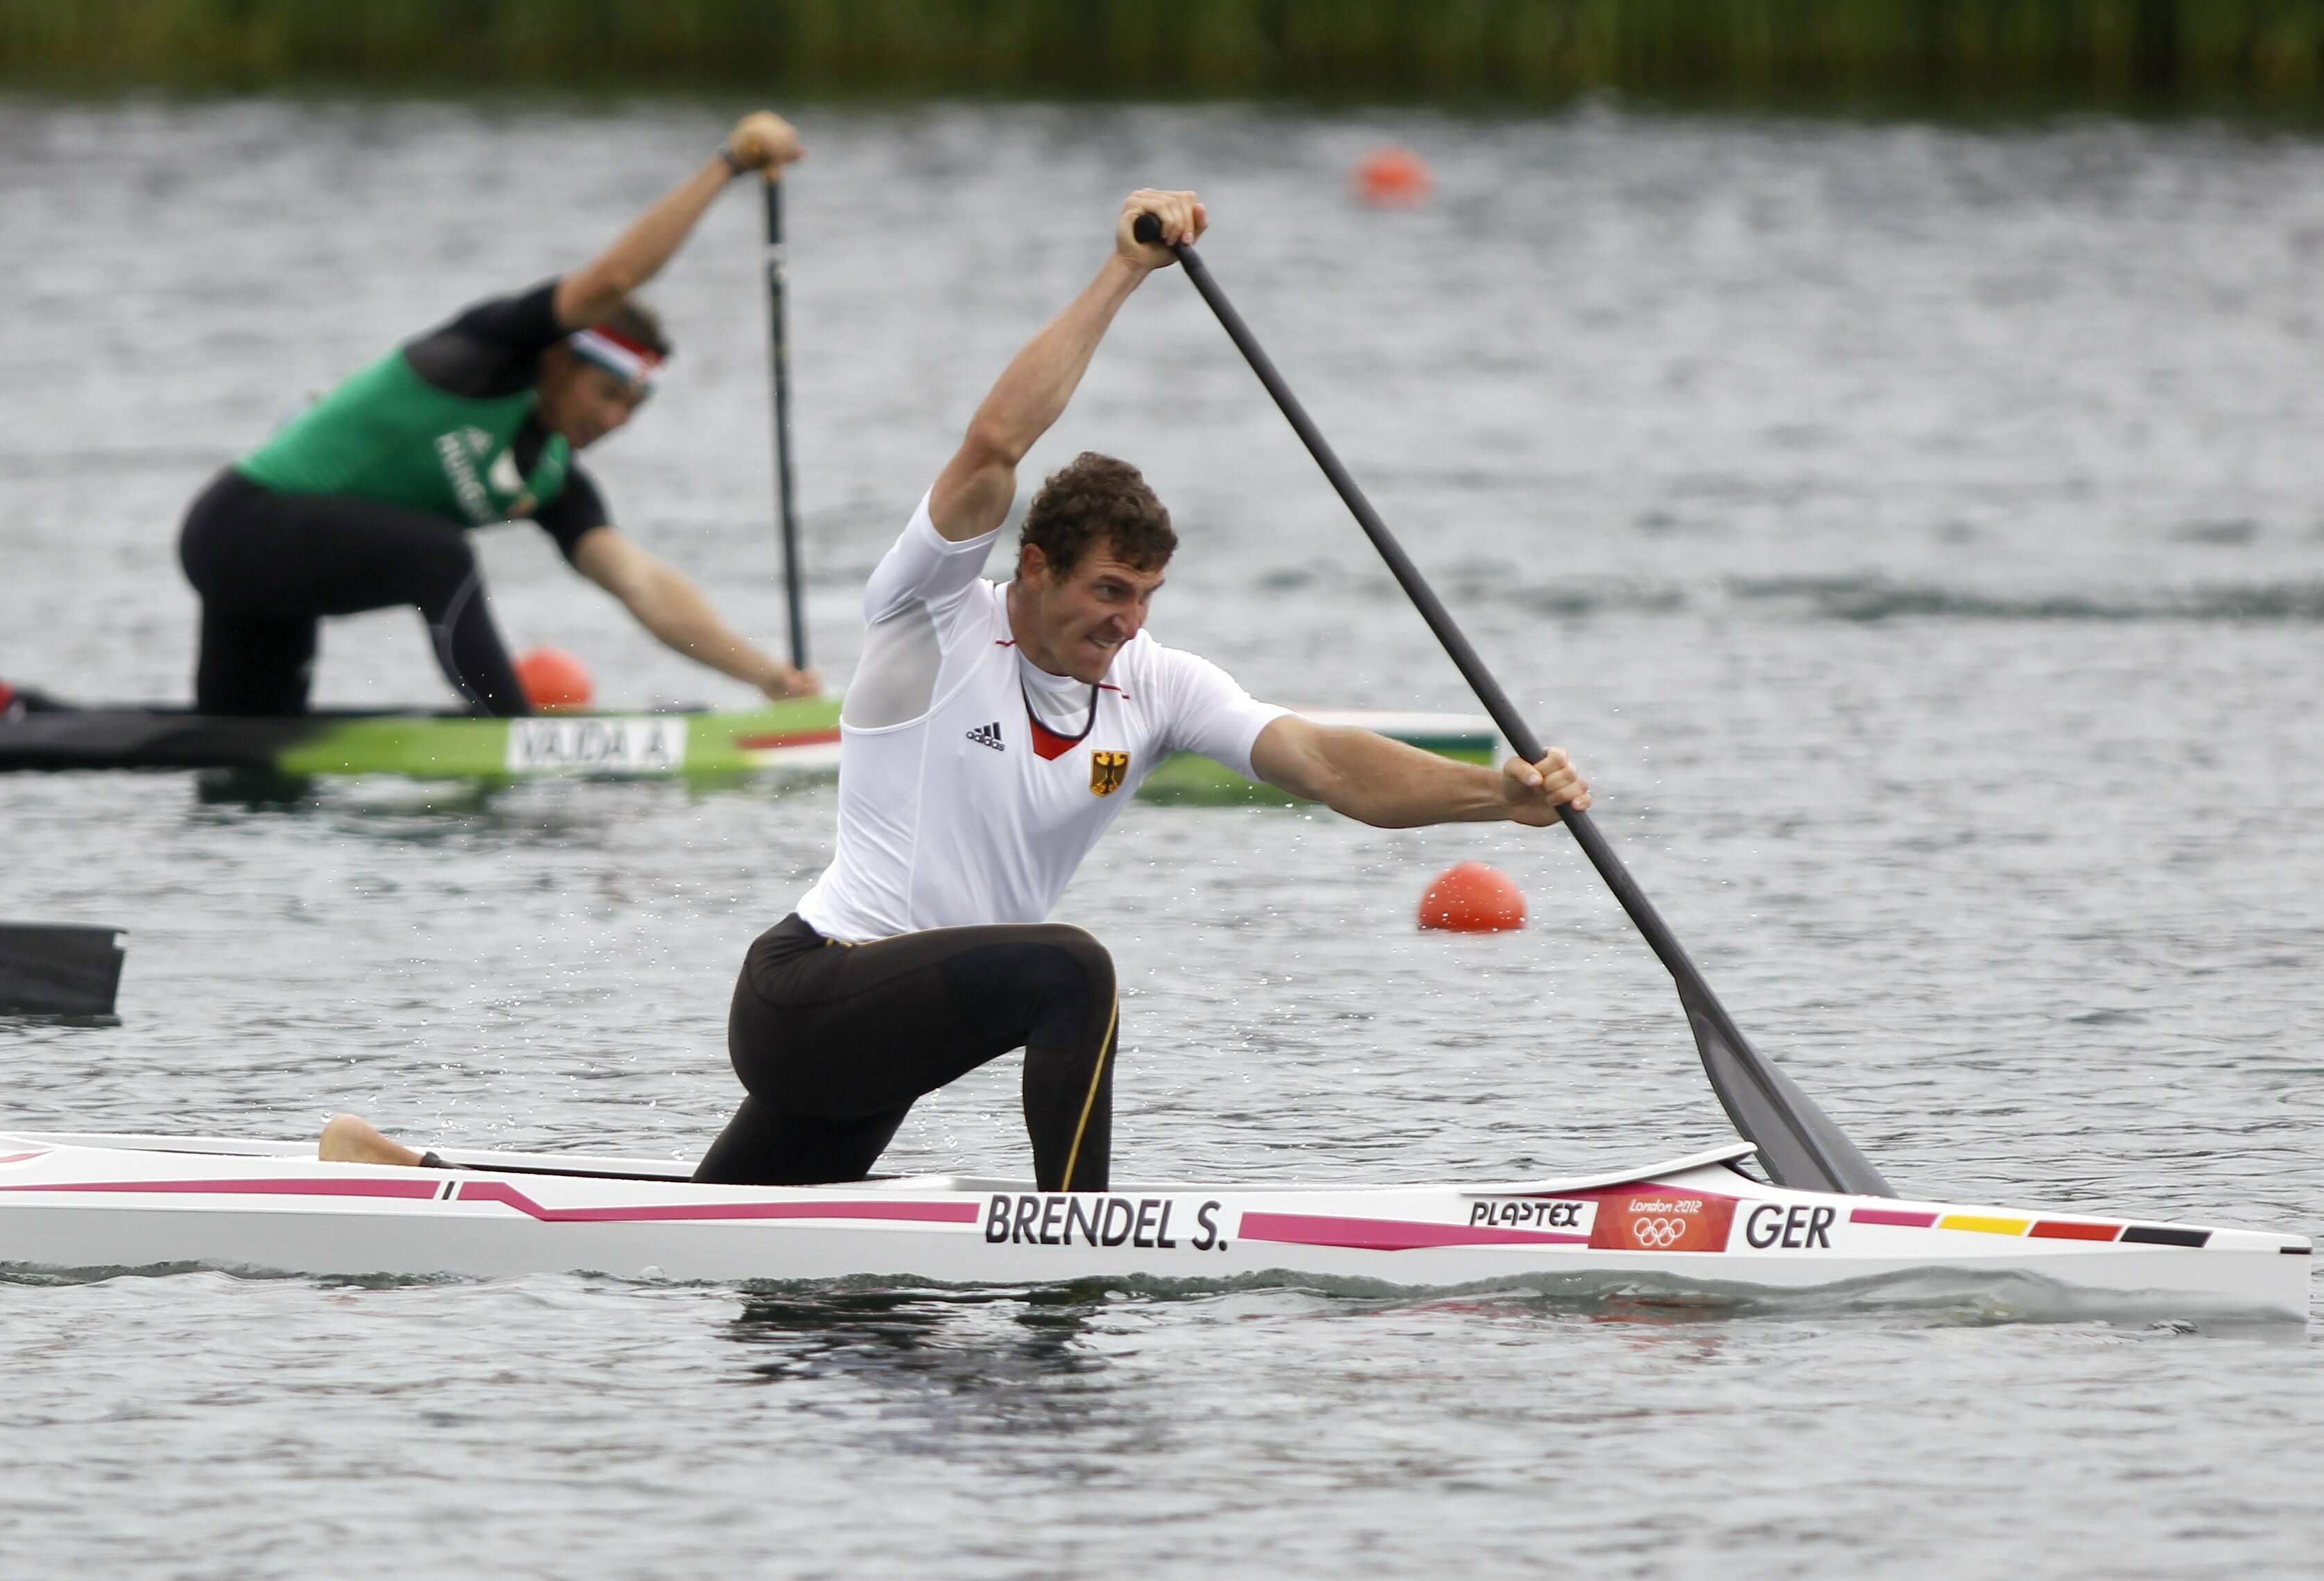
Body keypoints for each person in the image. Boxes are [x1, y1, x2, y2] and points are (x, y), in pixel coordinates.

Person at [320, 189, 1589, 1188]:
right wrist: (1125, 274)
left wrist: (1499, 798)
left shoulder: (1151, 682)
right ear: (1030, 569)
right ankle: (1077, 1248)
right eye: (1105, 593)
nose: (1127, 622)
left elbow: (1324, 764)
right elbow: (994, 445)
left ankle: (398, 1171)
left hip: (891, 1034)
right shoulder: (931, 615)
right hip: (811, 994)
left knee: (732, 1234)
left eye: (1145, 596)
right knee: (1070, 970)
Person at [177, 111, 820, 716]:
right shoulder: (486, 355)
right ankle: (511, 730)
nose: (617, 420)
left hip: (284, 577)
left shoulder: (552, 480)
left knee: (241, 749)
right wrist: (728, 165)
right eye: (608, 394)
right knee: (439, 555)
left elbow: (640, 584)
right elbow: (613, 278)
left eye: (634, 406)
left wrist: (764, 675)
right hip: (238, 528)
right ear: (562, 362)